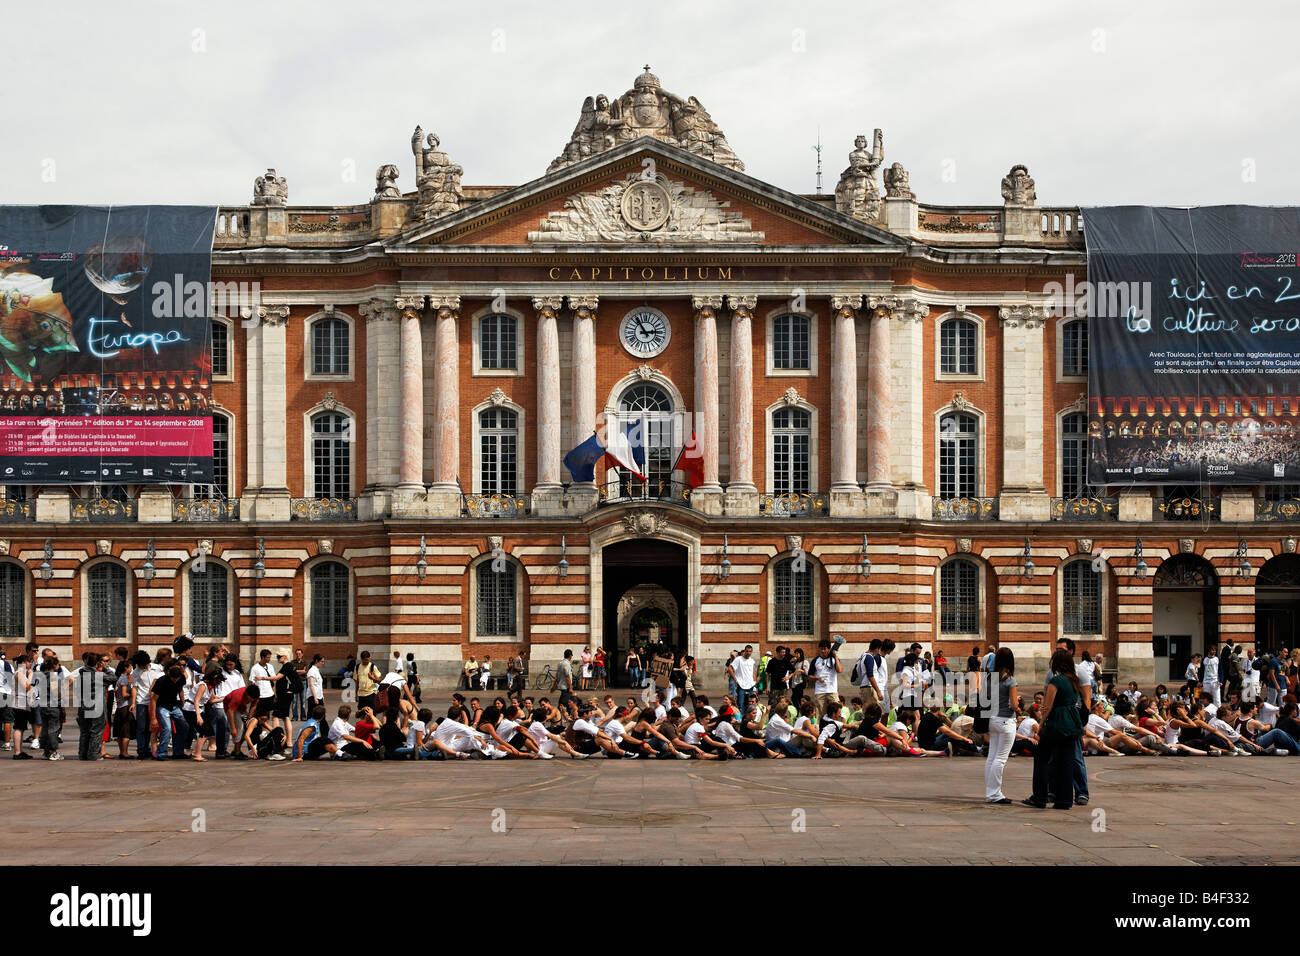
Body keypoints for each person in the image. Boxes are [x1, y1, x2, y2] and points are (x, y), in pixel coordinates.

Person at [1024, 649, 1087, 810]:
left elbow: (1048, 707)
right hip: (1072, 723)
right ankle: (1064, 800)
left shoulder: (1056, 681)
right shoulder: (1074, 680)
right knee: (1066, 761)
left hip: (1057, 722)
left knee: (1042, 758)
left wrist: (1041, 726)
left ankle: (1040, 797)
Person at [984, 647, 1019, 804]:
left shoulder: (990, 678)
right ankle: (995, 794)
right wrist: (1019, 706)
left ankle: (991, 791)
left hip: (993, 719)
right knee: (1000, 758)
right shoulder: (1010, 680)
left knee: (992, 757)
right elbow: (1013, 704)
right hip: (1006, 720)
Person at [808, 640, 842, 717]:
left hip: (832, 690)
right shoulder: (815, 660)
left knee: (836, 712)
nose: (822, 651)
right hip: (820, 691)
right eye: (821, 649)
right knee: (821, 714)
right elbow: (810, 675)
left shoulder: (833, 659)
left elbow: (839, 670)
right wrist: (817, 678)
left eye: (824, 649)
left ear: (828, 649)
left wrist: (835, 656)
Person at [728, 645, 758, 718]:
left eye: (750, 651)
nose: (748, 653)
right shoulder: (739, 659)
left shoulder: (751, 660)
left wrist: (754, 682)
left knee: (751, 705)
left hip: (750, 685)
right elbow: (730, 669)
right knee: (740, 704)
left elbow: (753, 671)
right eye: (747, 651)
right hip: (741, 685)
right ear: (745, 651)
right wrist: (735, 680)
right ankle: (740, 721)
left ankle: (749, 720)